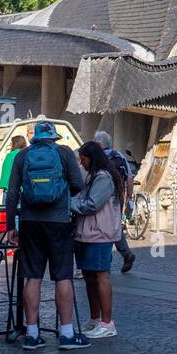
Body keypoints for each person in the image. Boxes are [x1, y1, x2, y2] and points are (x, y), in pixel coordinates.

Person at [5, 120, 89, 350]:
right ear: (53, 136)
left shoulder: (22, 156)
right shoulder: (64, 153)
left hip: (30, 223)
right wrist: (60, 193)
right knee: (63, 277)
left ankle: (32, 335)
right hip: (59, 222)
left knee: (33, 277)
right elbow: (78, 185)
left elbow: (12, 193)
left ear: (34, 137)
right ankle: (67, 334)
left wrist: (10, 225)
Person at [72, 141, 123, 339]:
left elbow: (92, 204)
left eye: (83, 159)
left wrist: (70, 204)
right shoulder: (94, 176)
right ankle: (95, 319)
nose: (81, 163)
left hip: (99, 234)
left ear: (92, 158)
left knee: (100, 276)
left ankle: (107, 323)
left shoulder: (103, 178)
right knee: (89, 276)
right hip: (89, 233)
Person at [93, 130, 136, 272]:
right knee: (115, 225)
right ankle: (125, 254)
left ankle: (108, 261)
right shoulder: (119, 156)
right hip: (118, 195)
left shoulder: (96, 157)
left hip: (99, 196)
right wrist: (129, 197)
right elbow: (129, 177)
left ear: (98, 143)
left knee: (102, 227)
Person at [0, 134, 28, 204]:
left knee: (10, 211)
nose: (10, 145)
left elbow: (5, 176)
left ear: (15, 144)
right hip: (25, 193)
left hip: (11, 192)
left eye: (11, 143)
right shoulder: (26, 154)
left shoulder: (10, 156)